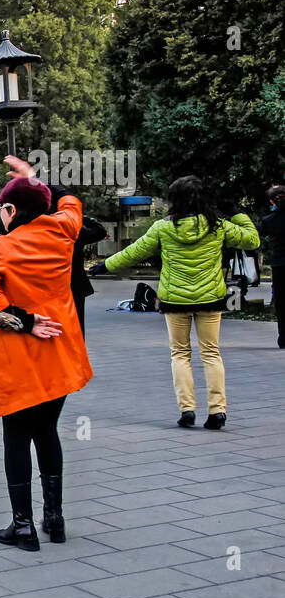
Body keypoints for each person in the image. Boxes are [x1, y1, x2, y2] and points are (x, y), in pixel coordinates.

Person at [0, 157, 94, 551]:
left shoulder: (0, 247)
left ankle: (22, 525)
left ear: (11, 211)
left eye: (3, 208)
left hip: (17, 355)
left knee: (15, 435)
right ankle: (55, 518)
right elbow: (71, 202)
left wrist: (23, 321)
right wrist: (34, 179)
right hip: (58, 348)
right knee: (47, 431)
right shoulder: (63, 231)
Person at [91, 176, 260, 430]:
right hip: (210, 298)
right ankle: (217, 411)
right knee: (211, 353)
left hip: (175, 299)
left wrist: (104, 266)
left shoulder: (163, 227)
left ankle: (187, 409)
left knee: (180, 354)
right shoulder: (219, 227)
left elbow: (133, 252)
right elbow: (253, 240)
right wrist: (237, 214)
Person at [71, 215, 108, 333]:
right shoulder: (71, 230)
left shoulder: (35, 230)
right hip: (75, 285)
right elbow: (100, 231)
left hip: (49, 287)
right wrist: (84, 218)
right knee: (77, 325)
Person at [259, 185, 284, 349]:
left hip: (280, 264)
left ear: (272, 201)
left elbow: (256, 235)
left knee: (281, 303)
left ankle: (284, 337)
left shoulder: (268, 220)